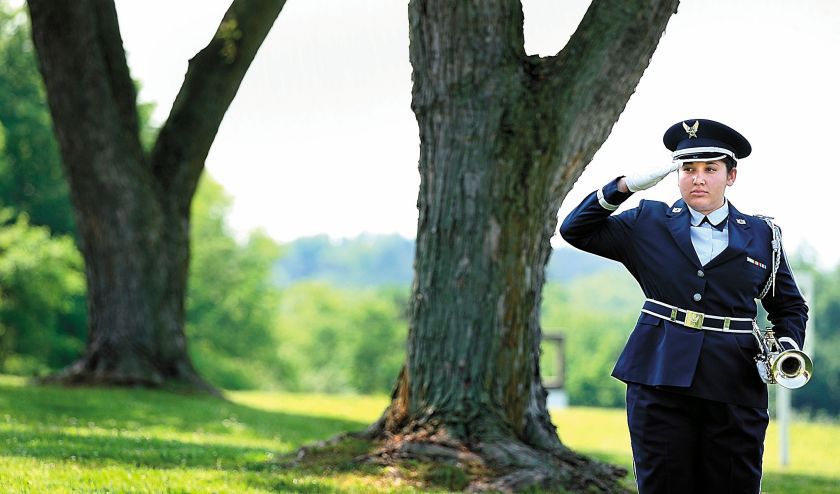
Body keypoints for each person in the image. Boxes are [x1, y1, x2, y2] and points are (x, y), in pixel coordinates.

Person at [559, 118, 808, 493]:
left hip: (735, 384)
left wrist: (785, 347)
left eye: (710, 169)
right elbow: (575, 230)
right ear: (676, 175)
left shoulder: (762, 234)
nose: (698, 178)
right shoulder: (648, 221)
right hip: (658, 381)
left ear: (731, 176)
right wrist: (625, 186)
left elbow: (789, 306)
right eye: (688, 169)